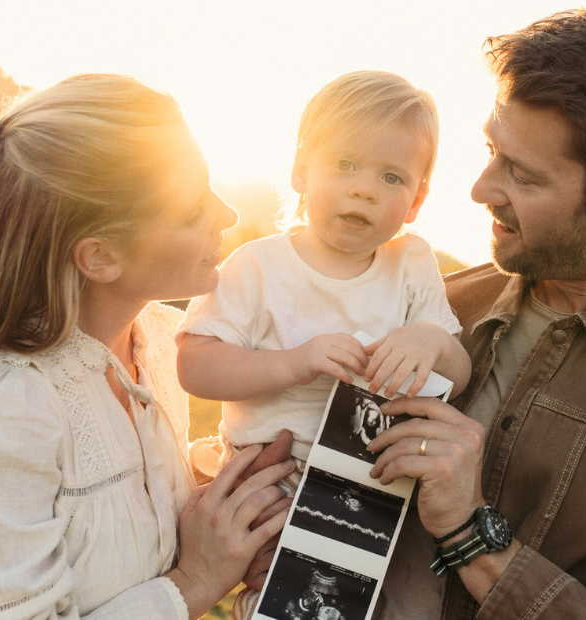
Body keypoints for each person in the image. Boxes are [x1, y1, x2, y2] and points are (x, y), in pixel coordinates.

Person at [367, 9, 586, 619]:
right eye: (491, 151)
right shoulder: (434, 307)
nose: (480, 189)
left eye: (522, 176)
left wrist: (472, 537)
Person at [0, 74, 296, 620]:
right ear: (99, 258)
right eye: (193, 210)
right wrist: (195, 581)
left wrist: (229, 523)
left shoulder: (164, 343)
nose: (228, 216)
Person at [176, 70, 472, 619]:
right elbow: (196, 365)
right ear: (300, 171)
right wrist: (295, 362)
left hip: (370, 492)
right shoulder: (258, 266)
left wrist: (428, 338)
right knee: (281, 599)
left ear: (416, 199)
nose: (364, 188)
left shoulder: (409, 263)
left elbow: (458, 371)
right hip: (270, 481)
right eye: (345, 165)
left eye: (391, 176)